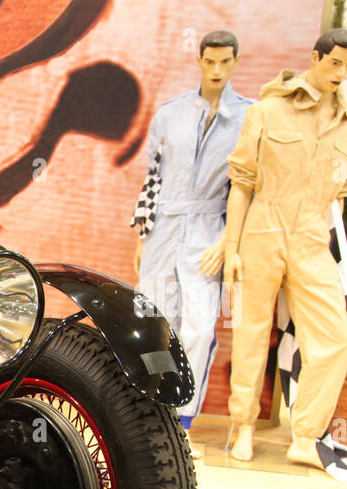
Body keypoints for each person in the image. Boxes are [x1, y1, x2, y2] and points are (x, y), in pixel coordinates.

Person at [222, 29, 347, 468]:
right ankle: (243, 423)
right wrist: (232, 248)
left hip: (311, 235)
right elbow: (241, 183)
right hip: (262, 228)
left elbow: (344, 188)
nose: (341, 73)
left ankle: (306, 433)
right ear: (316, 58)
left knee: (336, 338)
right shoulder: (268, 110)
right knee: (250, 332)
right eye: (335, 63)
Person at [130, 31, 253, 455]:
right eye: (210, 61)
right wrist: (144, 233)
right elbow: (153, 174)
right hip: (164, 226)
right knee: (152, 322)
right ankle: (149, 416)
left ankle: (183, 423)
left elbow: (248, 185)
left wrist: (229, 241)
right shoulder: (171, 113)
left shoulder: (249, 117)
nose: (217, 70)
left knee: (199, 327)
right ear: (199, 60)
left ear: (236, 61)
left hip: (208, 227)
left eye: (225, 62)